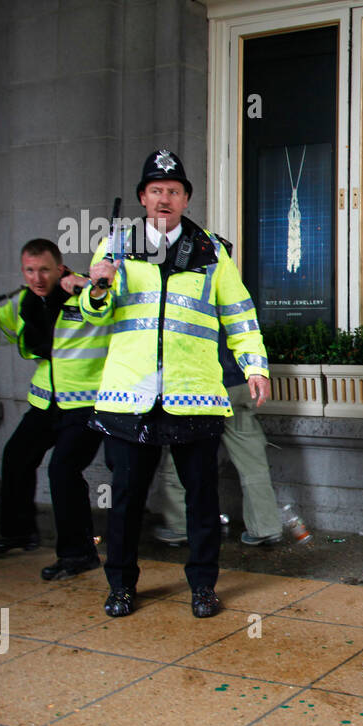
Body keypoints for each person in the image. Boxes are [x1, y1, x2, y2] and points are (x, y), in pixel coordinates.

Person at [82, 149, 269, 619]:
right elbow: (92, 314)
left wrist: (255, 367)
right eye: (155, 190)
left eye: (174, 191)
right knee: (124, 500)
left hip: (195, 394)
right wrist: (99, 286)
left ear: (186, 198)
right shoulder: (115, 246)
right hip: (131, 395)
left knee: (202, 499)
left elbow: (239, 313)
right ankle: (121, 586)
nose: (164, 198)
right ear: (143, 198)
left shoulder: (212, 251)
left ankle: (203, 586)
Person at [0, 239, 107, 581]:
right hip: (46, 401)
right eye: (29, 270)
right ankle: (18, 532)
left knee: (62, 471)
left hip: (87, 403)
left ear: (60, 268)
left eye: (44, 269)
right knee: (16, 455)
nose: (37, 277)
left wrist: (90, 285)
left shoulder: (84, 295)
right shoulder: (24, 302)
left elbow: (114, 306)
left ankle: (79, 554)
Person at [150, 328, 283, 547]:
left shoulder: (185, 301)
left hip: (201, 389)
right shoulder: (231, 298)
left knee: (179, 460)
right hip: (239, 385)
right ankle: (265, 528)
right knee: (252, 462)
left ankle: (180, 526)